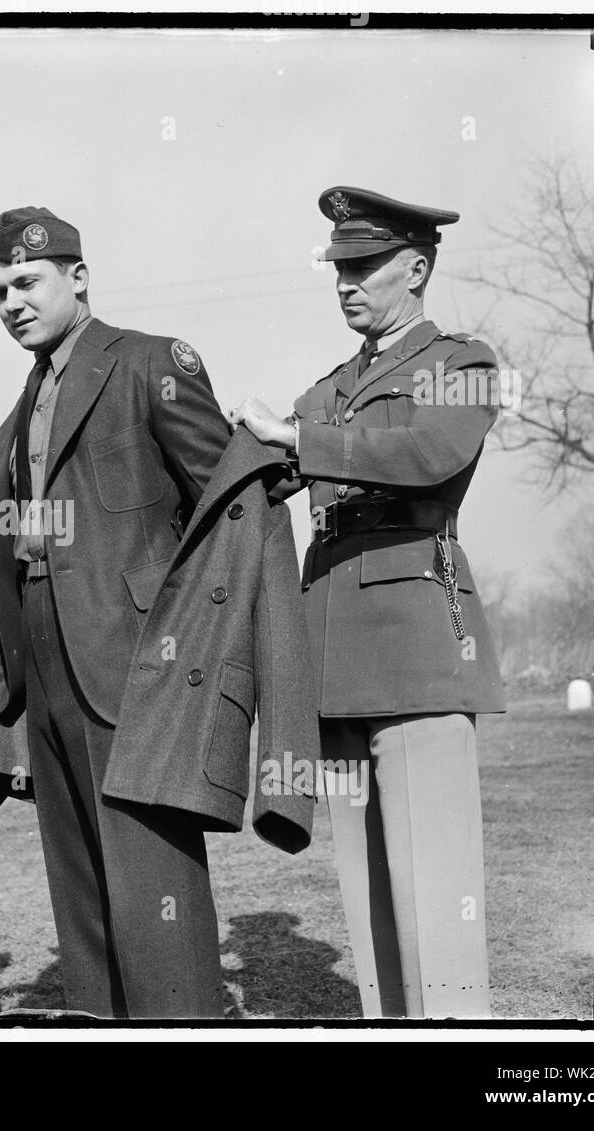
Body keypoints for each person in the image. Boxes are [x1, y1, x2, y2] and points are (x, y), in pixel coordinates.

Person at [232, 186, 507, 1019]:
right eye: (338, 267)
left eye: (364, 265)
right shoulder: (324, 393)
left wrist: (298, 442)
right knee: (374, 916)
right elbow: (257, 482)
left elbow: (429, 453)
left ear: (417, 268)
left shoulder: (463, 363)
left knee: (438, 915)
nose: (346, 281)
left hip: (418, 657)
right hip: (334, 666)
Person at [0, 206, 234, 1017]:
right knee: (79, 893)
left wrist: (194, 655)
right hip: (44, 664)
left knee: (155, 890)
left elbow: (227, 510)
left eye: (27, 282)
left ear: (78, 278)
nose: (12, 302)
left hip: (137, 668)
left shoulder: (152, 363)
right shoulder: (23, 408)